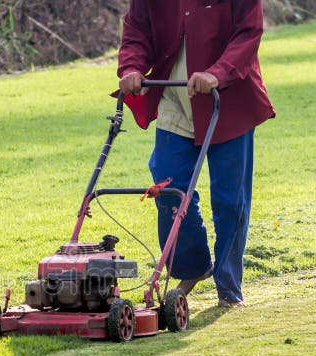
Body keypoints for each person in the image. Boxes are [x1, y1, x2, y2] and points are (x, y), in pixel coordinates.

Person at [117, 0, 275, 307]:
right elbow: (137, 30)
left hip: (228, 99)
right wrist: (132, 67)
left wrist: (219, 72)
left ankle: (229, 287)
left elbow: (248, 32)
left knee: (230, 201)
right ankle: (193, 267)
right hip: (174, 96)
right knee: (169, 187)